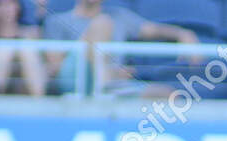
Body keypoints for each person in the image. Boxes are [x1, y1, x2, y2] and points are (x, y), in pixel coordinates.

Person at [43, 0, 200, 95]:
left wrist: (184, 34)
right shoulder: (58, 21)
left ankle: (108, 88)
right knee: (102, 23)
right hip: (78, 82)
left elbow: (153, 29)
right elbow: (56, 68)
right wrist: (109, 71)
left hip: (116, 82)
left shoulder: (120, 16)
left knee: (167, 95)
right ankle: (104, 89)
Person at [0, 0, 49, 96]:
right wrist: (9, 51)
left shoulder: (32, 33)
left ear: (18, 6)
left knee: (26, 48)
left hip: (25, 89)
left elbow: (45, 65)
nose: (5, 9)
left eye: (10, 3)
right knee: (6, 49)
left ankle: (42, 99)